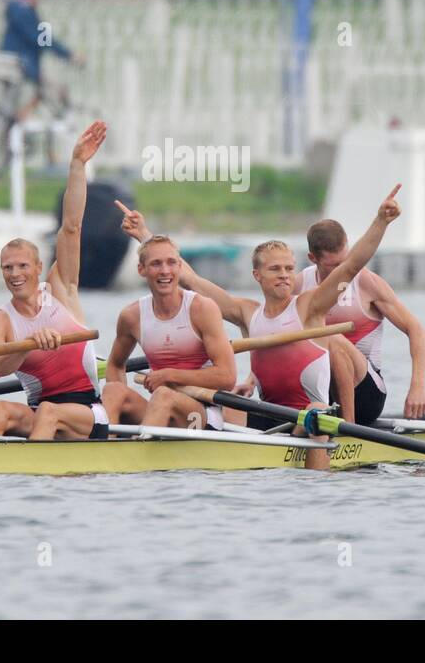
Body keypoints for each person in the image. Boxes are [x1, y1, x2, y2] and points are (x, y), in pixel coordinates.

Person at [118, 189, 402, 471]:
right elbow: (189, 279)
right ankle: (194, 462)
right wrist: (145, 234)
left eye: (290, 269)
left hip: (308, 417)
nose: (284, 275)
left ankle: (319, 484)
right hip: (269, 414)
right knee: (229, 406)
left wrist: (381, 222)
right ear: (257, 276)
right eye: (275, 269)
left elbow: (351, 266)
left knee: (315, 412)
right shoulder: (246, 313)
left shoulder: (309, 307)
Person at [0, 121, 110, 441]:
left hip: (87, 413)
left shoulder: (61, 289)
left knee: (50, 411)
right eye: (7, 268)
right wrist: (27, 346)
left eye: (22, 266)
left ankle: (29, 486)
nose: (15, 274)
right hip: (39, 412)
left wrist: (77, 164)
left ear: (38, 267)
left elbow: (72, 226)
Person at [294, 219, 425, 420]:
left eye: (344, 262)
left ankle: (349, 427)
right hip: (320, 390)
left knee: (331, 337)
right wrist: (252, 380)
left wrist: (417, 386)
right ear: (312, 258)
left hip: (366, 394)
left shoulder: (367, 283)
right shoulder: (300, 284)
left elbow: (416, 330)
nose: (343, 272)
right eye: (333, 266)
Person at [100, 233, 237, 430]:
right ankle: (106, 448)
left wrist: (169, 375)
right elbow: (115, 364)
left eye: (171, 263)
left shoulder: (202, 309)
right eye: (156, 264)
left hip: (203, 413)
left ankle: (138, 451)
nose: (165, 271)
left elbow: (227, 377)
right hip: (159, 406)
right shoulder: (131, 316)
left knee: (163, 395)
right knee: (113, 390)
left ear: (180, 267)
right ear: (141, 269)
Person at [0, 0, 82, 123]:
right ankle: (19, 120)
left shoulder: (23, 10)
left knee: (34, 94)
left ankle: (18, 121)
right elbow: (40, 38)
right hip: (20, 62)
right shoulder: (22, 11)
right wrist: (68, 54)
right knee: (51, 89)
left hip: (21, 62)